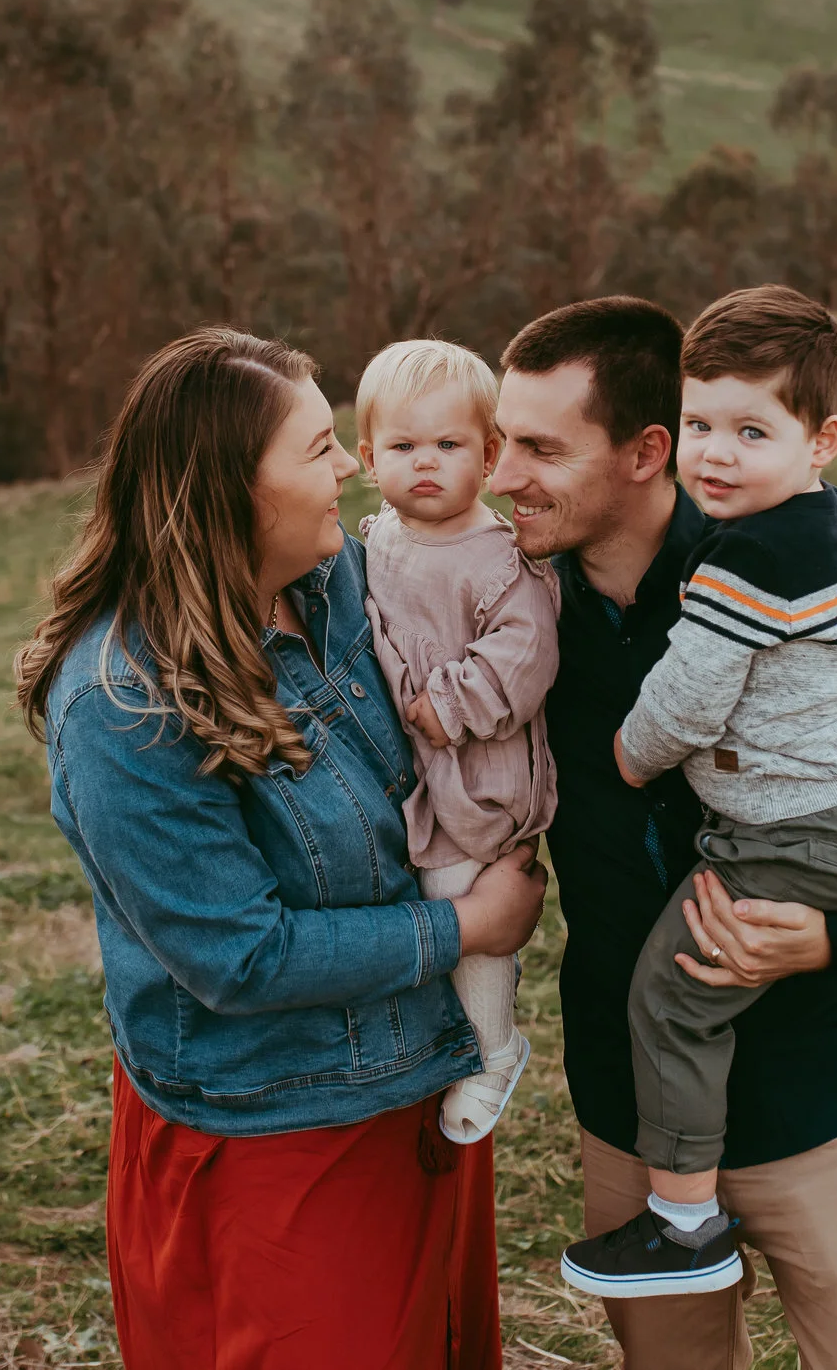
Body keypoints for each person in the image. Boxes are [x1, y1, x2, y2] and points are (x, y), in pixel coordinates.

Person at [488, 296, 837, 1370]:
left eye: (539, 447)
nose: (504, 476)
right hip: (629, 1105)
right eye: (503, 441)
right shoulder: (511, 614)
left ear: (647, 452)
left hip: (819, 1093)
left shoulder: (790, 576)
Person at [13, 328, 549, 1370]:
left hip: (421, 1076)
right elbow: (238, 955)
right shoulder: (121, 704)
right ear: (230, 492)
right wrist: (465, 926)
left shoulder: (339, 578)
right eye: (316, 449)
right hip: (277, 1129)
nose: (353, 466)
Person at [353, 339, 561, 1144]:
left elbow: (525, 654)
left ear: (490, 453)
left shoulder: (499, 559)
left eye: (449, 445)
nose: (426, 464)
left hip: (479, 769)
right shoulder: (381, 540)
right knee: (418, 899)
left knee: (460, 905)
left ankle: (492, 1046)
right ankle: (442, 1035)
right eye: (404, 447)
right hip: (414, 767)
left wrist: (445, 705)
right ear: (370, 457)